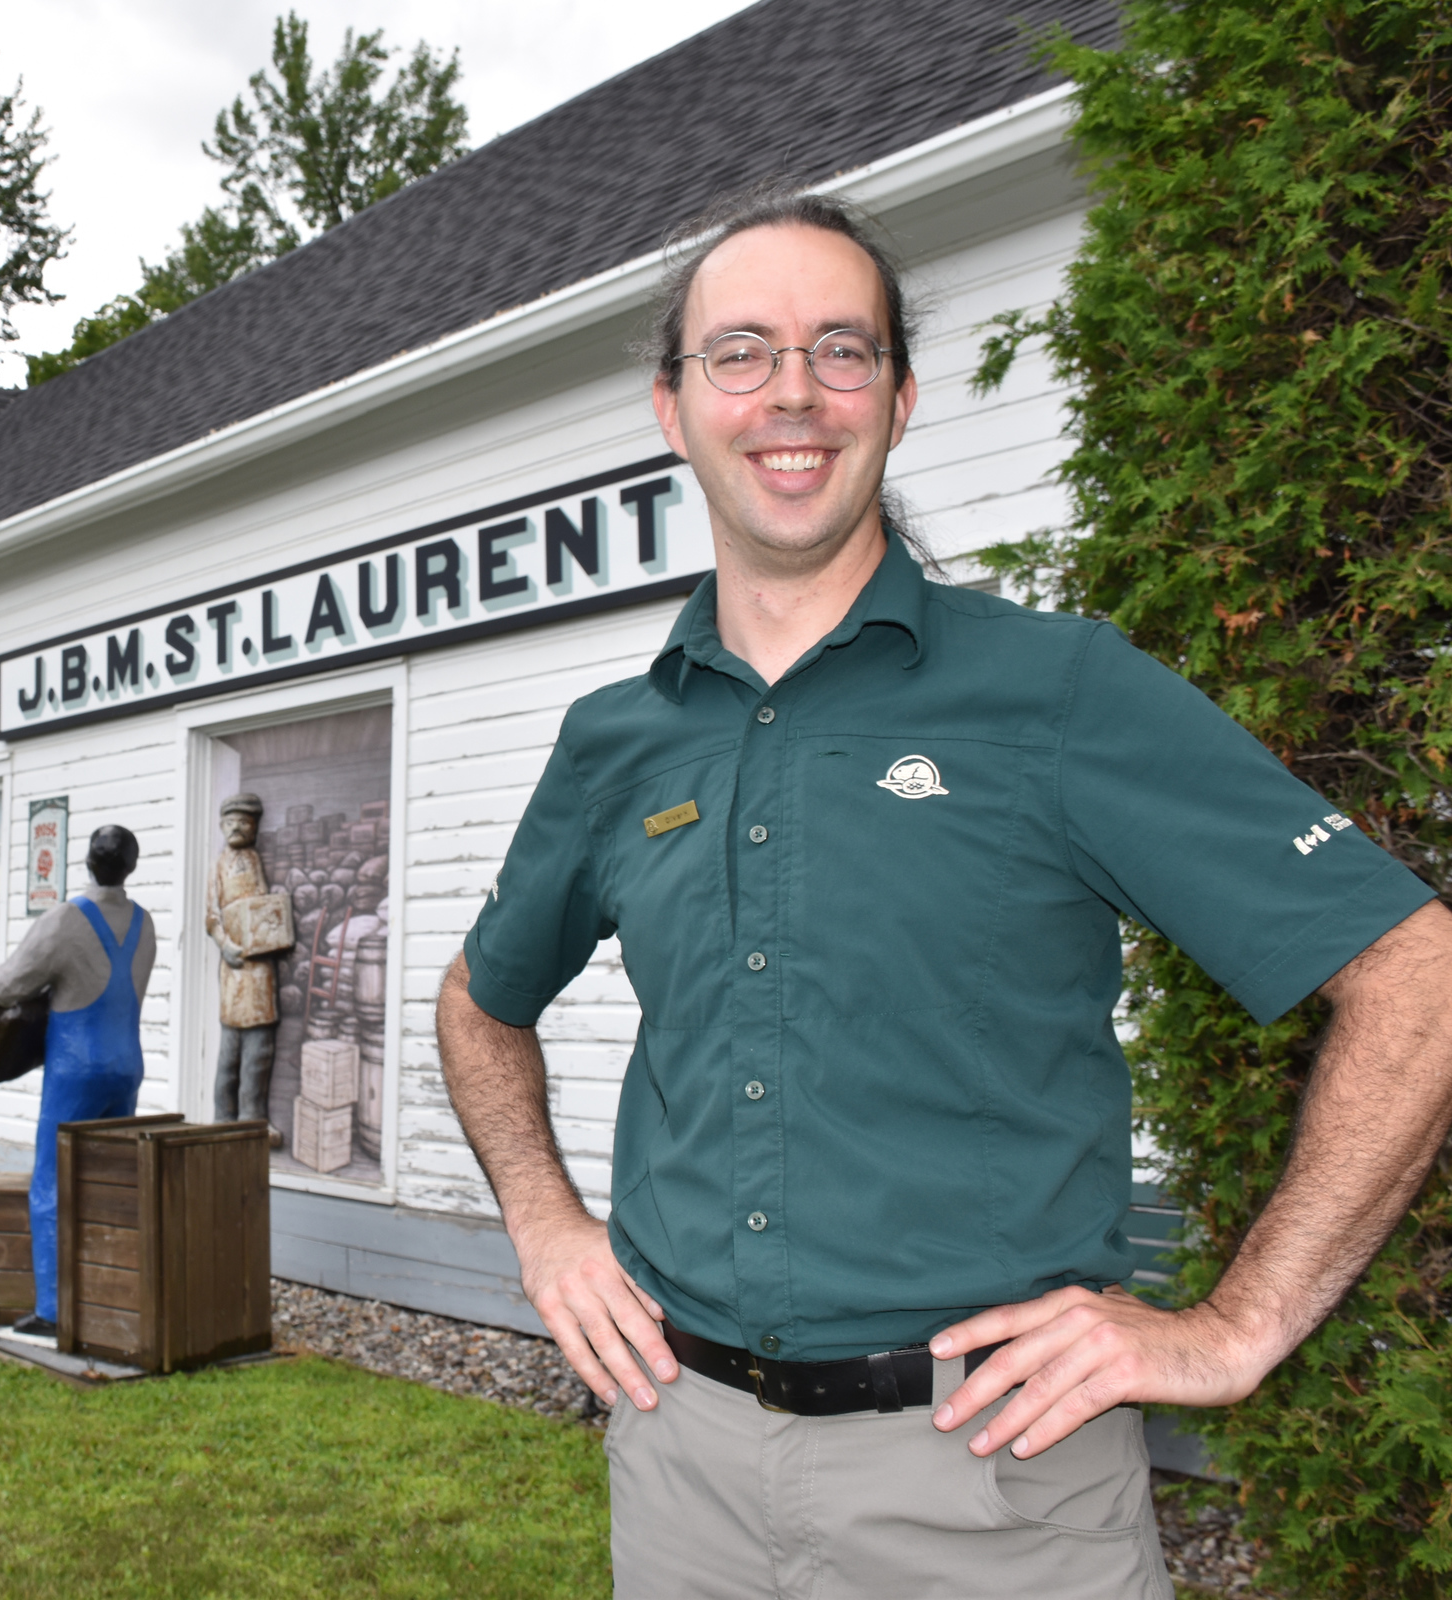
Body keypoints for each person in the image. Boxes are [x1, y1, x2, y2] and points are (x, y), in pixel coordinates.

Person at [436, 187, 1452, 1598]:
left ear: (900, 400)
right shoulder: (620, 739)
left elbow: (1420, 973)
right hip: (679, 1470)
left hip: (995, 1496)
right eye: (741, 351)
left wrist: (1239, 1326)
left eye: (841, 349)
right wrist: (547, 1227)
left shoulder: (1057, 690)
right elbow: (482, 1006)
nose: (794, 390)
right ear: (673, 408)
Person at [0, 823, 157, 1343]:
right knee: (109, 1183)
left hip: (76, 1069)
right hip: (127, 1063)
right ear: (131, 866)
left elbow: (7, 984)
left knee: (52, 1184)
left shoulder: (65, 919)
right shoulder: (146, 923)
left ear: (86, 862)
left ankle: (52, 1309)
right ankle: (110, 1294)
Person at [207, 792, 284, 1143]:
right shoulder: (220, 864)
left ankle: (252, 1120)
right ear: (222, 826)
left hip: (261, 967)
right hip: (236, 969)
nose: (238, 827)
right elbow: (211, 916)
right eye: (231, 821)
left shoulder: (253, 859)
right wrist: (226, 945)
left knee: (260, 1051)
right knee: (231, 1051)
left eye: (245, 821)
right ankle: (224, 1117)